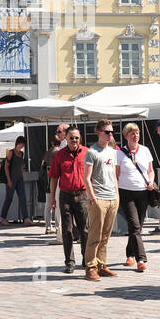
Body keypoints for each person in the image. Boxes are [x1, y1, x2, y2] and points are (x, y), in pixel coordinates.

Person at [82, 120, 120, 282]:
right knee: (95, 234)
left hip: (112, 198)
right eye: (107, 132)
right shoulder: (92, 152)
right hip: (99, 198)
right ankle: (90, 266)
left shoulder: (113, 152)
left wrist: (117, 195)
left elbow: (114, 176)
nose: (110, 134)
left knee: (106, 235)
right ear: (98, 132)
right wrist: (93, 198)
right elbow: (87, 178)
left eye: (111, 132)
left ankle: (101, 264)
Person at [48, 127, 89, 274]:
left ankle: (86, 258)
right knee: (67, 231)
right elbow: (53, 177)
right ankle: (70, 262)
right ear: (66, 139)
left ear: (80, 139)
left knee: (85, 230)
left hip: (82, 195)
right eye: (71, 138)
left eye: (76, 138)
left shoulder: (86, 153)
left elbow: (93, 175)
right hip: (65, 195)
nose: (74, 140)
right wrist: (52, 197)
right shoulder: (59, 155)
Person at [116, 122, 156, 272]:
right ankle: (141, 259)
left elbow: (151, 171)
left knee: (137, 227)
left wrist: (151, 181)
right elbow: (116, 174)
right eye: (132, 133)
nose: (136, 135)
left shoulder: (145, 150)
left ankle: (130, 254)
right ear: (126, 136)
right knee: (134, 226)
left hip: (143, 192)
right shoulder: (119, 153)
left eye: (137, 132)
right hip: (126, 192)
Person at [38, 123, 69, 234]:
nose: (57, 133)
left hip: (54, 179)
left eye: (59, 131)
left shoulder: (53, 151)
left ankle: (51, 227)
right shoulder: (60, 149)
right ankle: (58, 228)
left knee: (51, 203)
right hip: (55, 179)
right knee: (55, 204)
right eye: (57, 132)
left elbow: (42, 164)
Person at [0, 136, 30, 226]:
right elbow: (6, 167)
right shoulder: (11, 152)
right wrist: (9, 180)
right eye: (21, 144)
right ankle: (3, 218)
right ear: (17, 143)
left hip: (20, 178)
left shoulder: (22, 154)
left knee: (23, 198)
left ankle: (26, 218)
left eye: (23, 145)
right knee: (9, 198)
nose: (22, 146)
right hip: (12, 178)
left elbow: (20, 166)